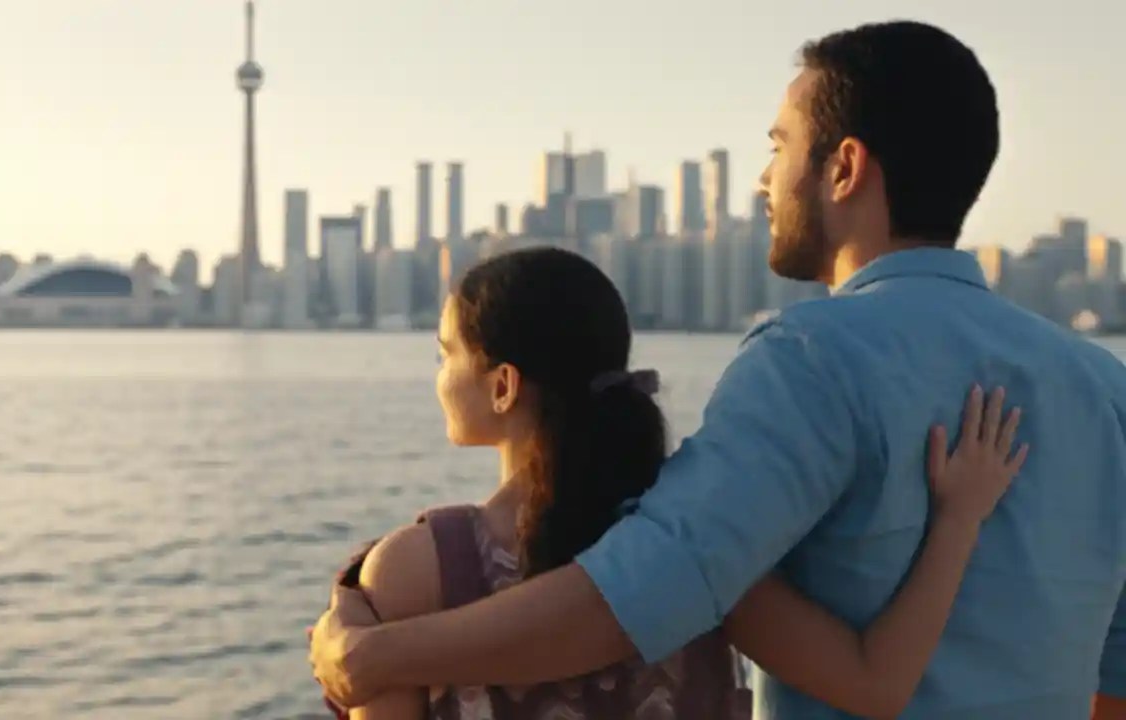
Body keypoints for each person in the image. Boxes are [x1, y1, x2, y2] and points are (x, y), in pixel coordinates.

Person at [311, 19, 1126, 720]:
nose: (765, 179)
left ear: (843, 168)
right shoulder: (1104, 388)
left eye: (779, 147)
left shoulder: (812, 359)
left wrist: (376, 655)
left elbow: (635, 597)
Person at [331, 246, 1025, 720]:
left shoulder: (419, 572)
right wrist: (958, 518)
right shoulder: (700, 559)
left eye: (445, 354)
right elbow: (877, 682)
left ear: (504, 385)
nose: (438, 375)